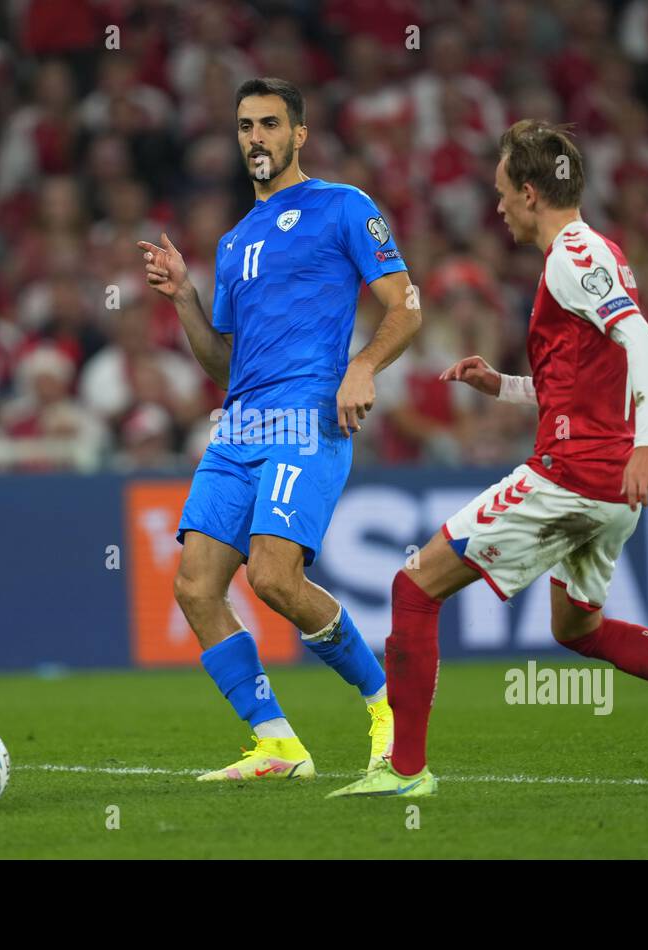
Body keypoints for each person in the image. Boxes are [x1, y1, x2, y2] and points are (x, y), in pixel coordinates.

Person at [331, 120, 648, 798]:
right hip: (608, 493)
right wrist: (507, 386)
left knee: (413, 587)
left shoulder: (572, 258)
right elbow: (585, 379)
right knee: (579, 629)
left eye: (500, 193)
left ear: (528, 191)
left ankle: (404, 773)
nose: (496, 209)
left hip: (574, 477)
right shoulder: (595, 250)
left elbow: (647, 345)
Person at [138, 77, 421, 781]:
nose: (255, 137)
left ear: (299, 133)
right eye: (244, 125)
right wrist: (186, 300)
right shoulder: (233, 244)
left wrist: (362, 367)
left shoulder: (342, 207)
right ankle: (277, 743)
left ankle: (387, 701)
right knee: (196, 588)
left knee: (273, 576)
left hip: (307, 418)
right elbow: (224, 365)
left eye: (269, 124)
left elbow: (407, 305)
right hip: (240, 424)